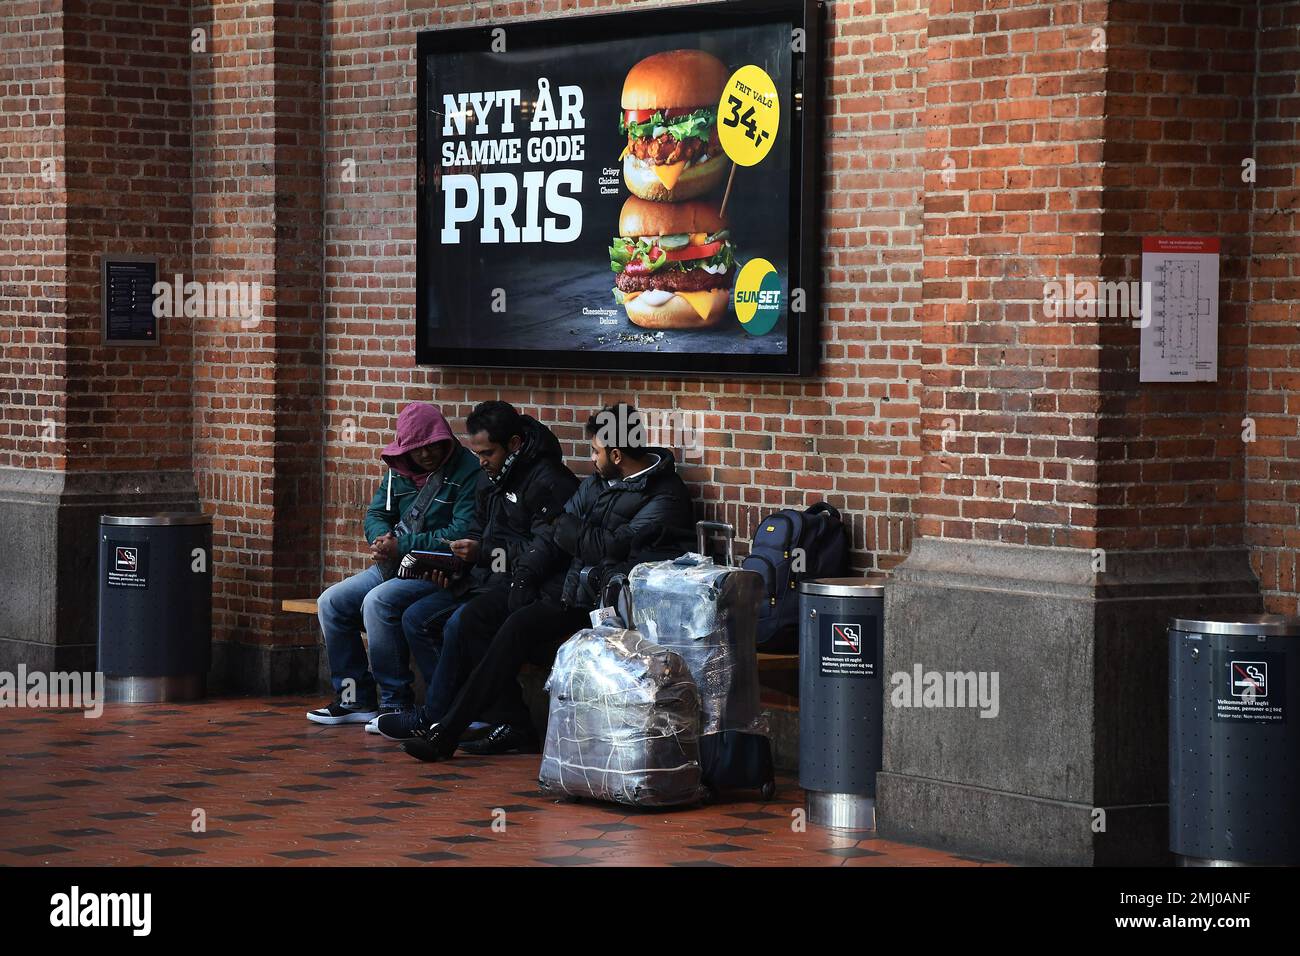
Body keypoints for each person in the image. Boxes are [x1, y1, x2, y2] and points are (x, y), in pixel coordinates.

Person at [402, 403, 696, 761]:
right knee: (477, 617)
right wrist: (525, 574)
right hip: (564, 585)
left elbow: (610, 546)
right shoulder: (600, 482)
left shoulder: (664, 494)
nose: (590, 459)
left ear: (616, 454)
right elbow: (556, 535)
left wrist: (572, 532)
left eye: (595, 451)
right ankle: (510, 723)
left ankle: (445, 732)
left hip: (601, 602)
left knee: (515, 628)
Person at [370, 401, 577, 740]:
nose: (481, 461)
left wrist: (483, 554)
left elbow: (545, 552)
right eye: (477, 453)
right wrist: (453, 565)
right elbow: (478, 531)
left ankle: (442, 716)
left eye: (488, 453)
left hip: (530, 586)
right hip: (482, 579)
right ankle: (473, 715)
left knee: (461, 623)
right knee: (416, 618)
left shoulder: (549, 482)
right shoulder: (490, 477)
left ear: (514, 444)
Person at [307, 402, 480, 725]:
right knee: (331, 602)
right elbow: (376, 514)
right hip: (393, 564)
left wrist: (404, 545)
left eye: (432, 446)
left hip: (434, 569)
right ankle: (354, 698)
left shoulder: (467, 472)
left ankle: (395, 704)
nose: (426, 455)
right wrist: (380, 540)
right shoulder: (397, 472)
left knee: (378, 602)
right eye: (417, 449)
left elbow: (461, 531)